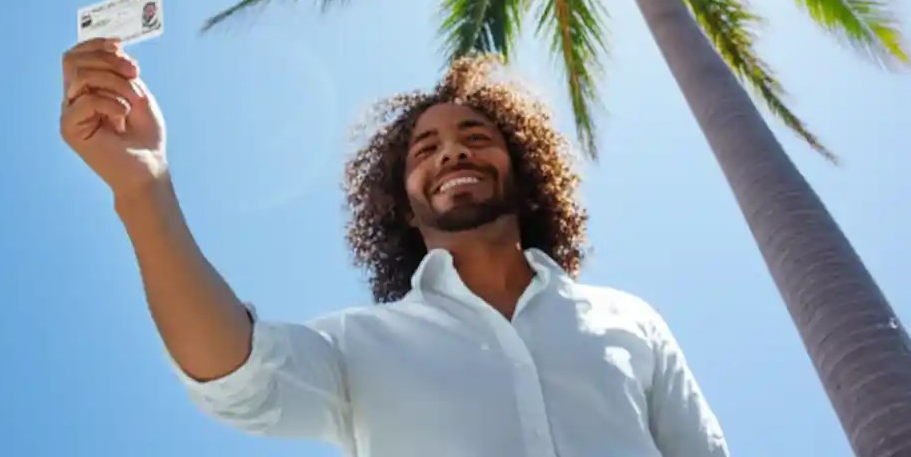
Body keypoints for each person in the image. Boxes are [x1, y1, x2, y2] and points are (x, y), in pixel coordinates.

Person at [60, 38, 730, 456]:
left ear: (525, 175)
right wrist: (143, 188)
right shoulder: (359, 346)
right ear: (401, 202)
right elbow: (236, 377)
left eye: (475, 135)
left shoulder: (630, 322)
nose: (453, 151)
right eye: (426, 148)